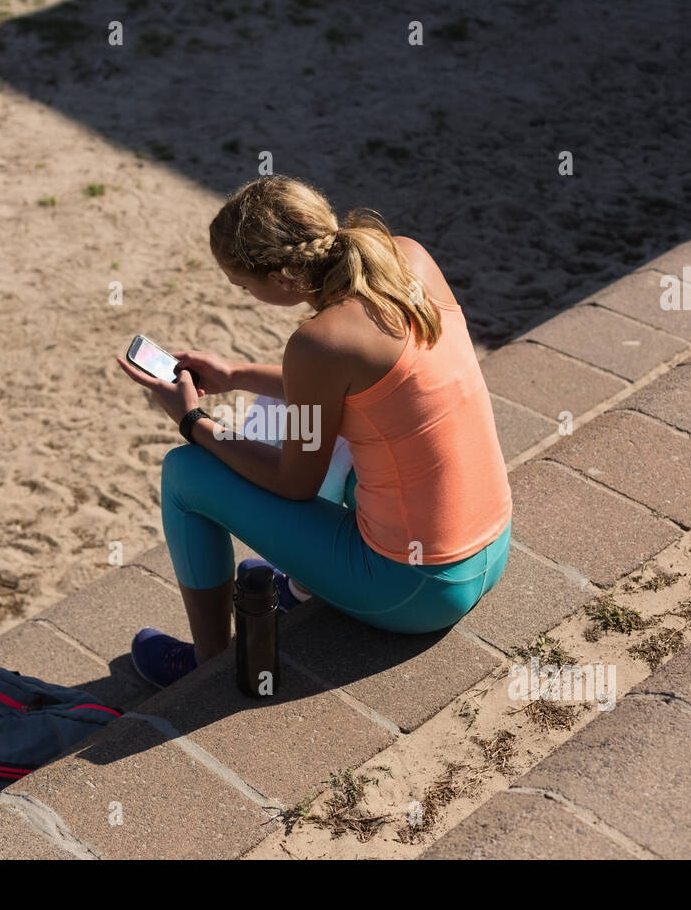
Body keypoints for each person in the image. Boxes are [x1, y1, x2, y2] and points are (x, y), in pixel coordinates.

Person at [114, 174, 512, 688]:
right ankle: (305, 584)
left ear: (281, 278)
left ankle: (207, 665)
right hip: (490, 547)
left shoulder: (318, 343)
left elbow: (294, 482)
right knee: (357, 439)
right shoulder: (406, 259)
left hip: (416, 592)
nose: (244, 293)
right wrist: (234, 374)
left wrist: (195, 423)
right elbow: (359, 387)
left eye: (242, 284)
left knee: (185, 473)